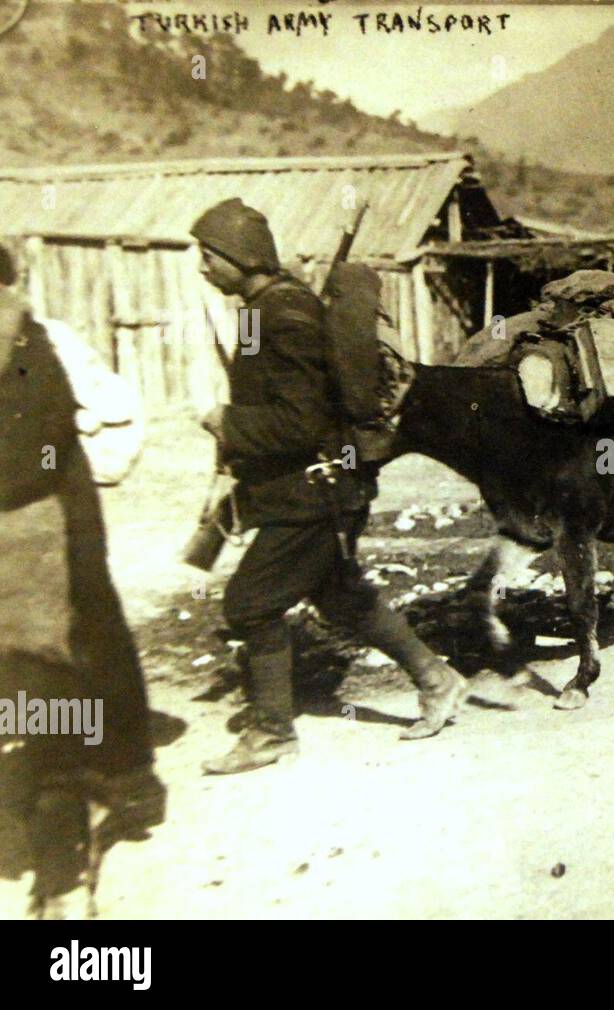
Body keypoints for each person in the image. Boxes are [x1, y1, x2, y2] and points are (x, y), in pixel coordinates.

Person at [190, 198, 467, 776]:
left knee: (249, 603)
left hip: (315, 493)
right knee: (341, 595)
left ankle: (271, 733)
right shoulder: (265, 307)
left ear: (241, 257)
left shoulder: (281, 316)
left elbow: (302, 423)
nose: (202, 267)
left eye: (209, 255)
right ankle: (438, 680)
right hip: (318, 490)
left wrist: (226, 421)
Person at [0, 280, 165, 919]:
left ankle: (67, 864)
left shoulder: (50, 344)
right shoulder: (45, 339)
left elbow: (115, 421)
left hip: (51, 533)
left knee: (56, 677)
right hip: (51, 532)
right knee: (60, 674)